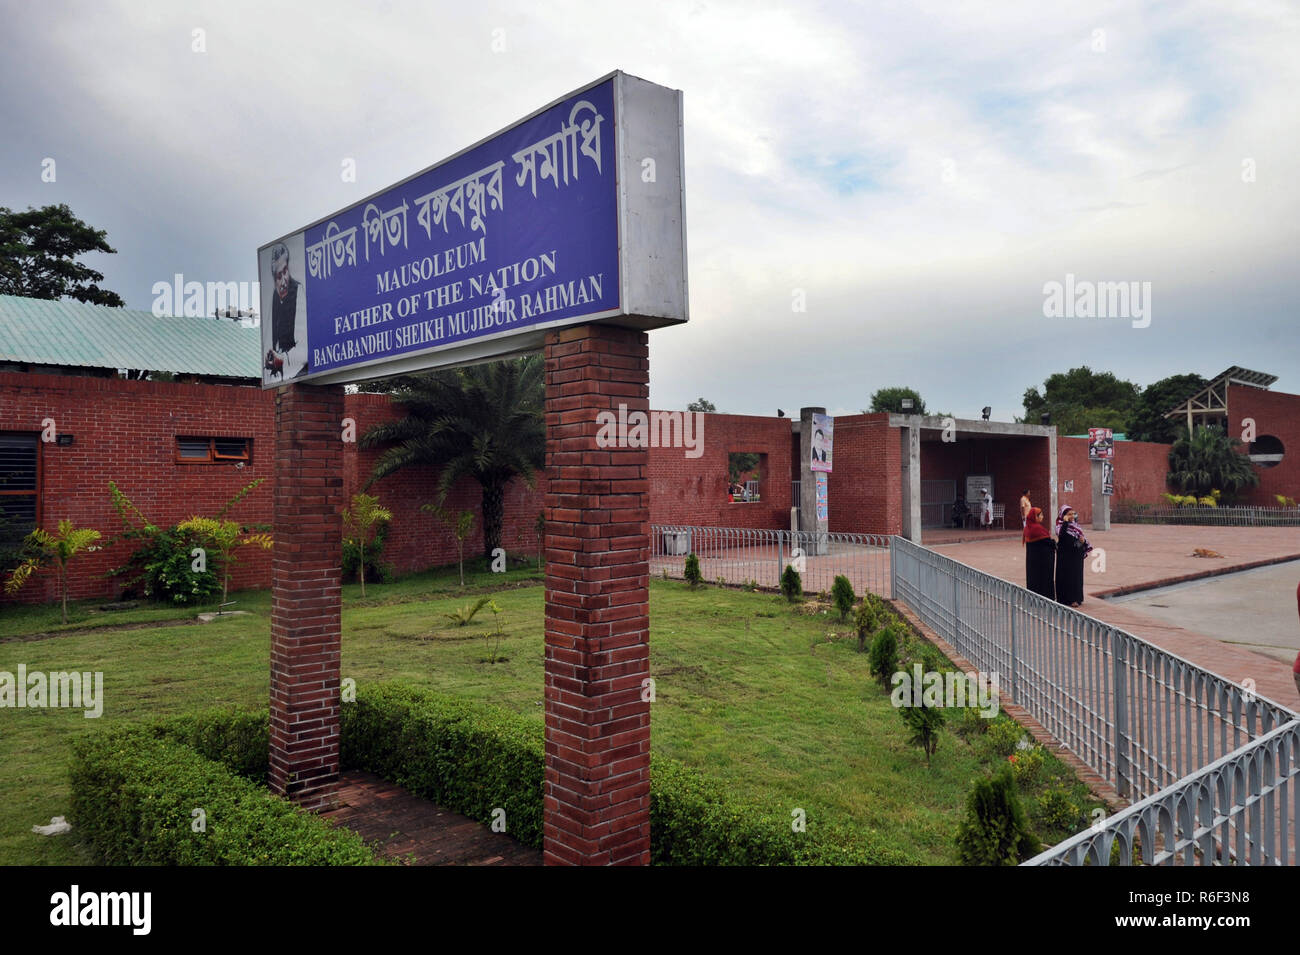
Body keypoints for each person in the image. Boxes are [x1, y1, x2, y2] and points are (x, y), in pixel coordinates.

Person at [266, 242, 309, 381]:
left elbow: (304, 349)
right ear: (273, 278)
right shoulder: (273, 298)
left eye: (285, 271)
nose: (284, 280)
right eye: (279, 276)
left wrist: (283, 360)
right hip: (281, 378)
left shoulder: (298, 291)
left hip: (299, 373)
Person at [1054, 504, 1092, 607]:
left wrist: (1082, 542)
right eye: (1069, 514)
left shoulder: (1076, 525)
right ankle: (1065, 599)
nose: (1072, 516)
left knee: (1076, 577)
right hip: (1065, 556)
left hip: (1076, 555)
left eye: (1073, 514)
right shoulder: (1060, 525)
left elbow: (1078, 541)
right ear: (1063, 515)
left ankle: (1076, 598)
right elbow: (1061, 536)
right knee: (1066, 577)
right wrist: (1065, 522)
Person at [1023, 506, 1055, 599]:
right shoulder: (1037, 528)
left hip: (1032, 561)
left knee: (1034, 578)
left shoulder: (1027, 528)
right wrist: (1054, 544)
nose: (1042, 517)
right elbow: (1047, 541)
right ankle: (1046, 598)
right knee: (1043, 579)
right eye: (1040, 515)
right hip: (1042, 561)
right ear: (1035, 516)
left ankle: (1034, 597)